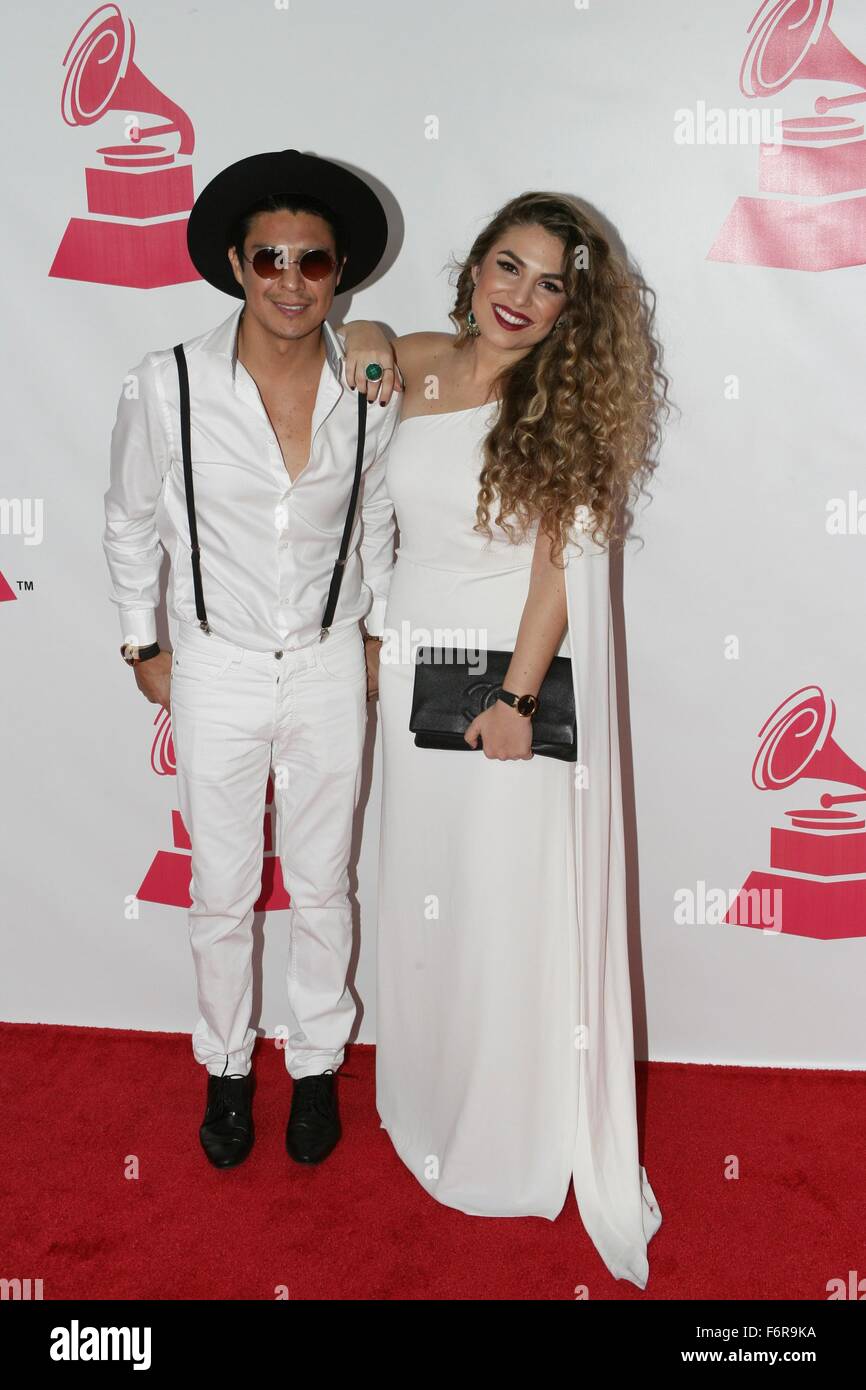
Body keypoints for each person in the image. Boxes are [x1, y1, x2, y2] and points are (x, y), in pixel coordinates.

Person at [340, 192, 670, 1288]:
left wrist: (519, 702)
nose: (519, 297)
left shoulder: (563, 400)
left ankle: (505, 1130)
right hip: (410, 677)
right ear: (473, 264)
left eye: (548, 283)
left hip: (499, 686)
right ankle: (430, 1094)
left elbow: (555, 572)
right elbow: (359, 351)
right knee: (426, 889)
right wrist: (372, 335)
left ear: (574, 308)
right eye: (506, 266)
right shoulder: (423, 361)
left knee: (501, 906)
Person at [102, 149, 401, 1170]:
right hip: (217, 665)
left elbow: (378, 521)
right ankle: (227, 1069)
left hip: (325, 665)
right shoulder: (166, 381)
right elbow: (129, 519)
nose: (287, 279)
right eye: (267, 256)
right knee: (221, 889)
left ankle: (314, 1070)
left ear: (339, 271)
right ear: (234, 262)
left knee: (322, 885)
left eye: (311, 262)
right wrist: (142, 639)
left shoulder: (369, 381)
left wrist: (376, 632)